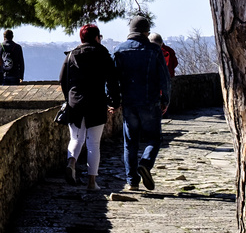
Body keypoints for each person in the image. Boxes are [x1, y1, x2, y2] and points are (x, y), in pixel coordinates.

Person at [114, 14, 172, 190]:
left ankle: (132, 182)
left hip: (129, 103)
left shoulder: (119, 50)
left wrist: (114, 100)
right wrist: (165, 100)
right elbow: (165, 78)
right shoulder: (154, 50)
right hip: (150, 102)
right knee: (154, 138)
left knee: (130, 142)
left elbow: (112, 79)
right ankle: (145, 164)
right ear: (147, 32)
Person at [59, 25, 119, 192]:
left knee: (76, 139)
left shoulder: (71, 55)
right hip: (96, 103)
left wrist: (69, 98)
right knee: (93, 143)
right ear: (96, 37)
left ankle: (71, 163)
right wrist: (114, 101)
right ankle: (92, 183)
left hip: (75, 103)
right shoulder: (104, 55)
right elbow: (112, 81)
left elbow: (63, 79)